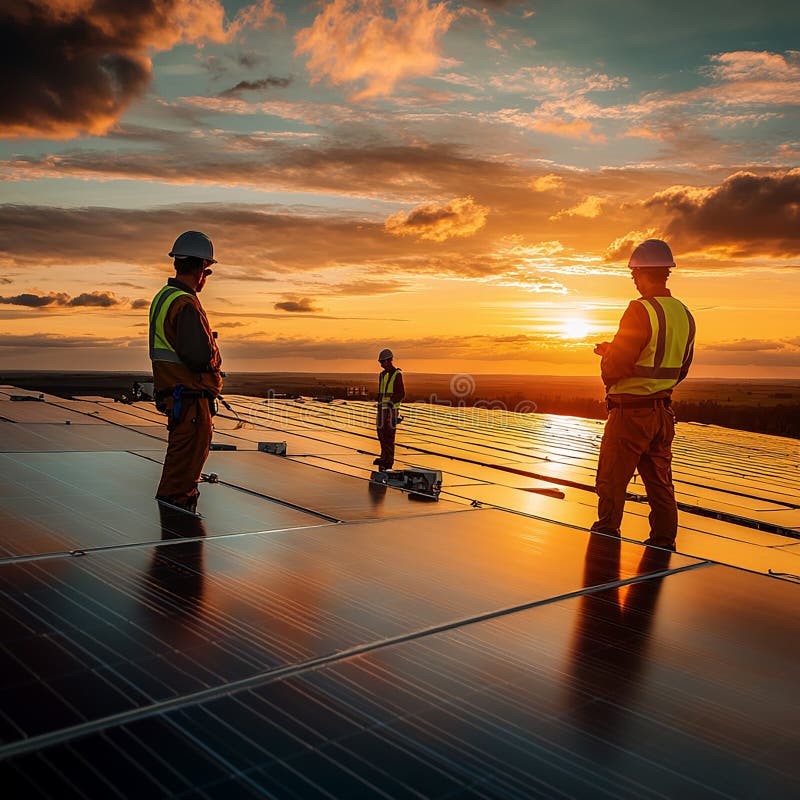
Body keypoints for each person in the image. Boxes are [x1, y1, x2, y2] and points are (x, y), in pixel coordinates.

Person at [591, 239, 695, 550]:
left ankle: (604, 556)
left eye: (634, 274)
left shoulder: (639, 310)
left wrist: (607, 356)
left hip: (629, 416)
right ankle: (663, 550)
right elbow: (681, 367)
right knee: (661, 488)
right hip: (662, 415)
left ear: (640, 273)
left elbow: (616, 369)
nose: (634, 281)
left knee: (611, 485)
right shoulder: (684, 313)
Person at [149, 231, 223, 513]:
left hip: (179, 396)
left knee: (179, 466)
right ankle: (175, 528)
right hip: (190, 399)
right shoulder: (185, 302)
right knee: (182, 476)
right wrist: (214, 354)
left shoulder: (164, 297)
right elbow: (200, 356)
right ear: (201, 268)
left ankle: (174, 527)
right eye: (207, 270)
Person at [373, 348, 405, 471]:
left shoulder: (397, 375)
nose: (381, 365)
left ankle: (389, 460)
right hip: (382, 410)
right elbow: (383, 392)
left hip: (391, 411)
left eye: (382, 362)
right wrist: (377, 398)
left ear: (389, 361)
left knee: (389, 436)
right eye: (380, 362)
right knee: (381, 434)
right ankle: (383, 457)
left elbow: (401, 394)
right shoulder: (382, 375)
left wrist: (391, 403)